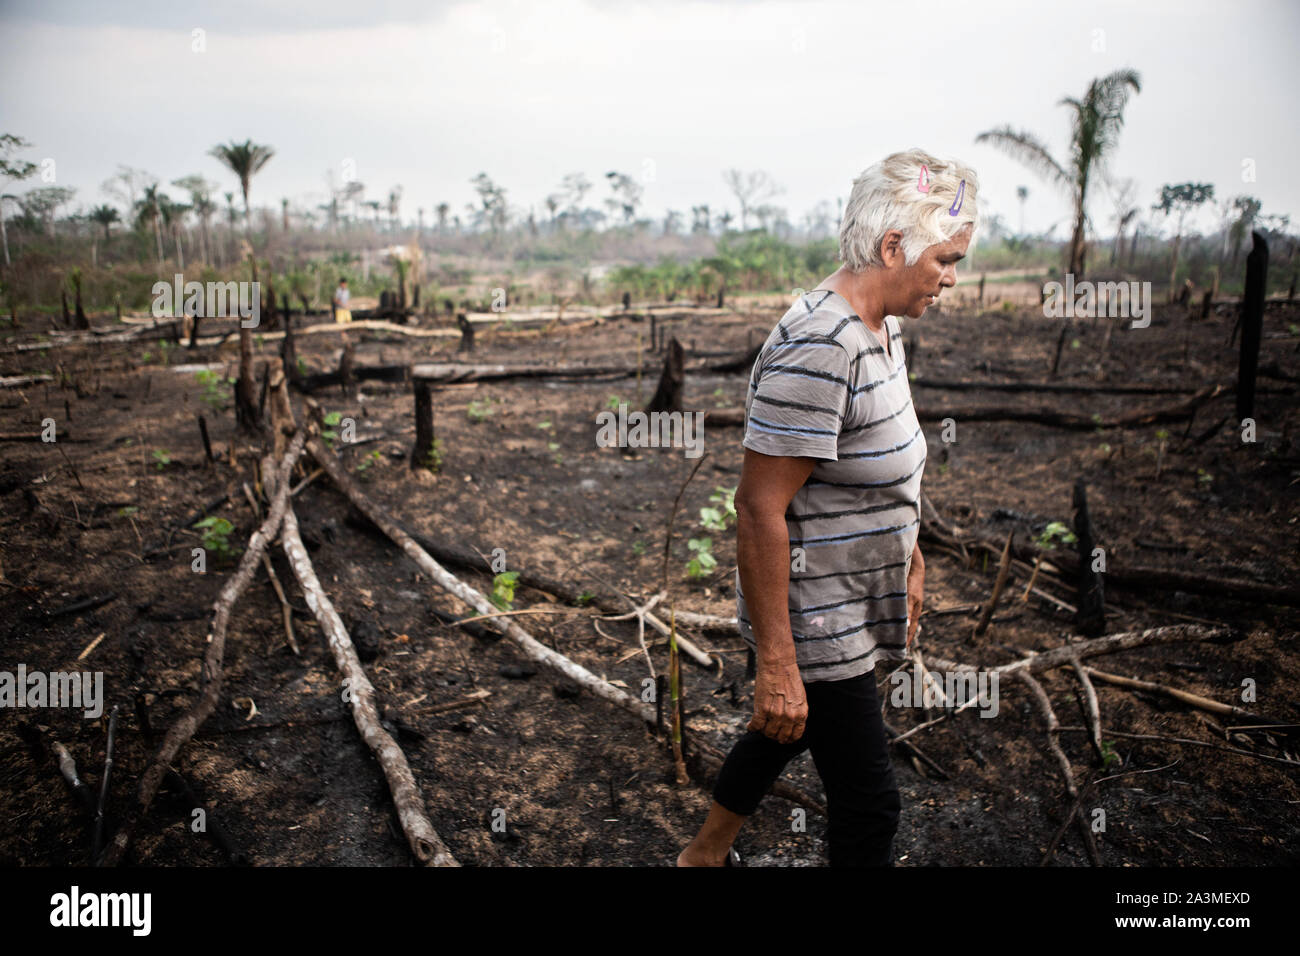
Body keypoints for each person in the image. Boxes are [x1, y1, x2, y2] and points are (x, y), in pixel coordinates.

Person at [677, 148, 978, 867]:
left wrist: (910, 555)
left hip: (851, 596)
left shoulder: (882, 327)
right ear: (892, 246)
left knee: (787, 731)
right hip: (816, 613)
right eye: (947, 259)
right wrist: (779, 659)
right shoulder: (822, 346)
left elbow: (883, 466)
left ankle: (702, 858)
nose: (952, 278)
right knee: (870, 808)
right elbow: (758, 509)